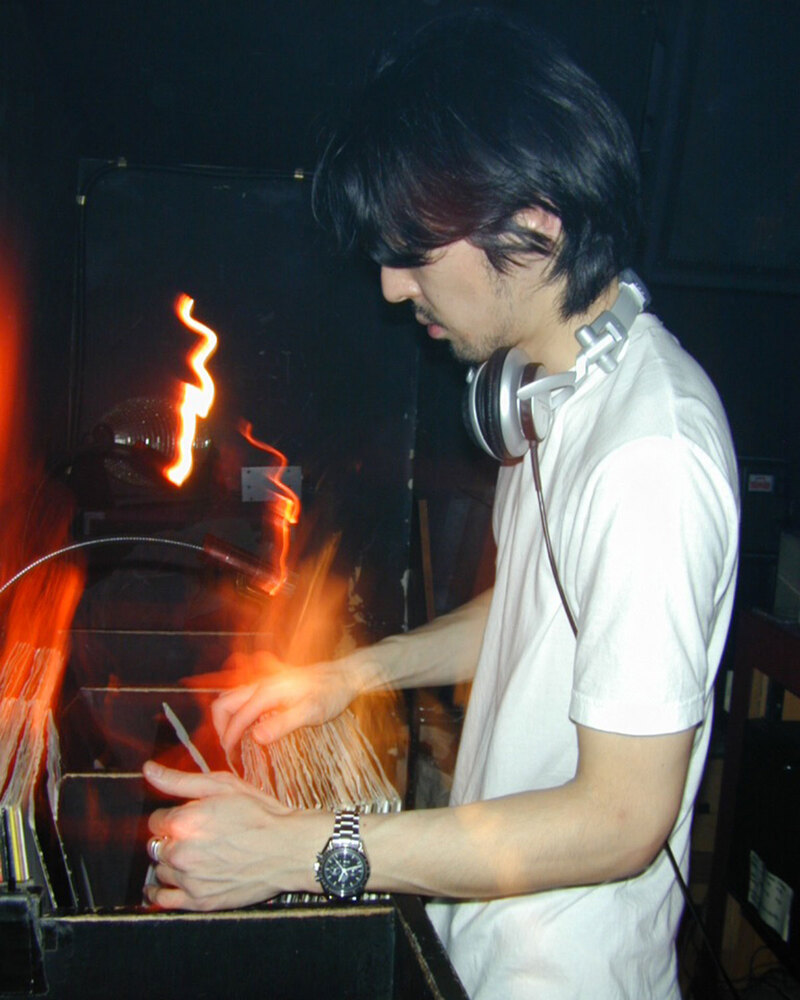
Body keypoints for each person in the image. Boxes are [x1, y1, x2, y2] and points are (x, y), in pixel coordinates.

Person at [142, 10, 740, 998]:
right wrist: (353, 674)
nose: (389, 286)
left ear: (534, 225)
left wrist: (301, 849)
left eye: (413, 250)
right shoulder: (556, 398)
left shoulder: (648, 455)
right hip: (483, 940)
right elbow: (535, 620)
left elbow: (621, 819)